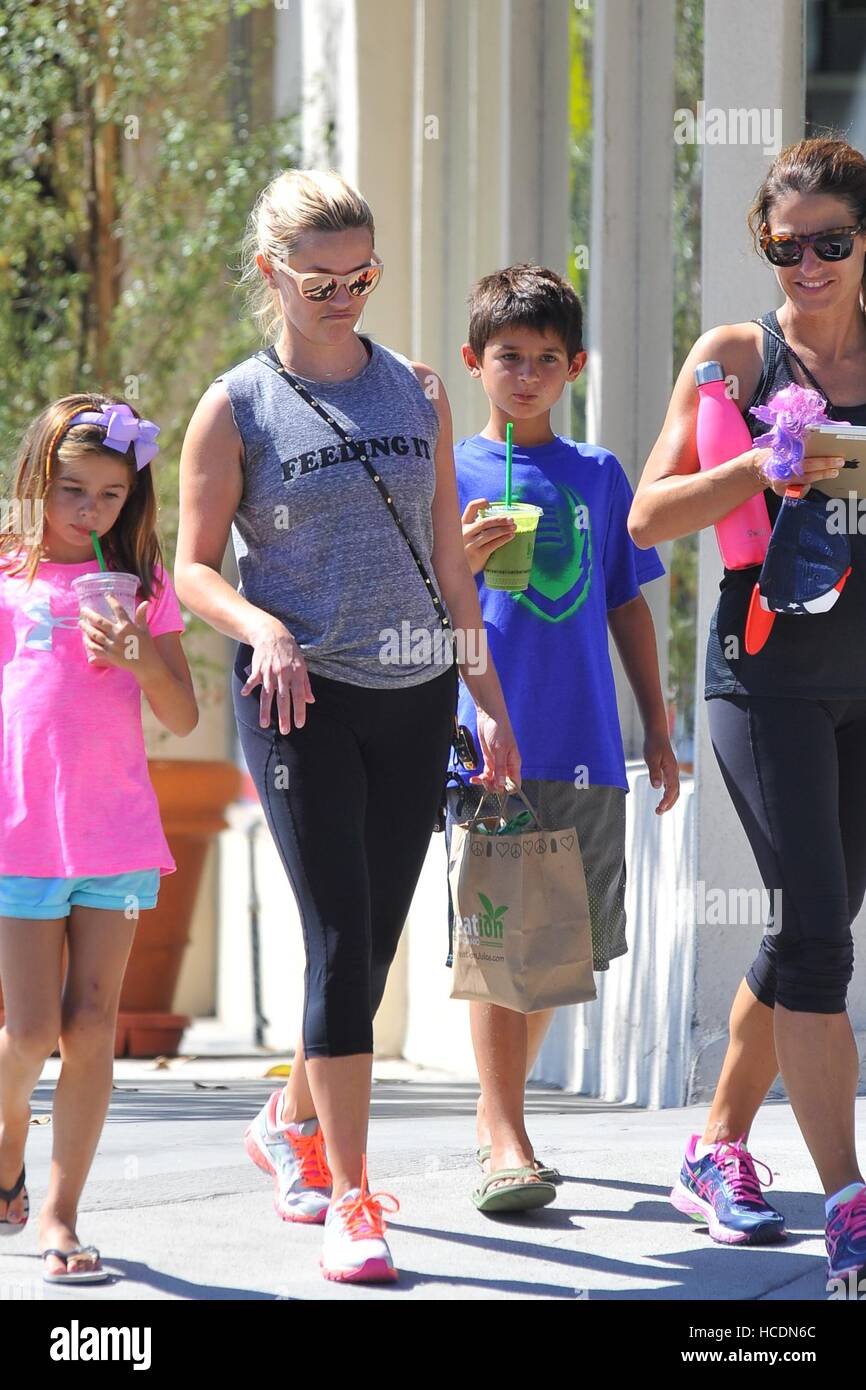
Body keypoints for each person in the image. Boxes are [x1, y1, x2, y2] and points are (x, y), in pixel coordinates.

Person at [174, 168, 519, 1284]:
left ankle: (286, 1118)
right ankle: (353, 1195)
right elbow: (189, 566)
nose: (342, 296)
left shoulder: (417, 391)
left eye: (360, 276)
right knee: (336, 940)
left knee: (368, 947)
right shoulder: (237, 404)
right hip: (299, 694)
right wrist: (261, 626)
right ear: (272, 273)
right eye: (319, 279)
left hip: (415, 687)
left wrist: (488, 702)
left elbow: (450, 565)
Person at [630, 137, 866, 1286]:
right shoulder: (735, 355)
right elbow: (644, 515)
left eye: (830, 242)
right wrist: (756, 473)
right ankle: (850, 1208)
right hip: (764, 672)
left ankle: (713, 1146)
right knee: (819, 934)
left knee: (808, 923)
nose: (807, 264)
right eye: (785, 246)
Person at [445, 263, 679, 1213]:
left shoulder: (598, 473)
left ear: (575, 365)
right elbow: (430, 610)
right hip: (491, 742)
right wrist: (456, 561)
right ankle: (505, 1136)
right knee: (501, 940)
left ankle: (498, 1119)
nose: (528, 374)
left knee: (559, 951)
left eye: (548, 358)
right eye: (510, 357)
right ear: (476, 362)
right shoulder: (447, 472)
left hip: (587, 735)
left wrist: (658, 726)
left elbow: (626, 604)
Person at [0, 396, 196, 1284]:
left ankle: (58, 1212)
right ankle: (6, 1147)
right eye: (70, 489)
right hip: (20, 835)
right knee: (31, 1026)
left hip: (113, 836)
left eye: (110, 494)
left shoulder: (144, 588)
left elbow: (183, 714)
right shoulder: (6, 579)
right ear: (35, 482)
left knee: (90, 1026)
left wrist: (139, 658)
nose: (88, 510)